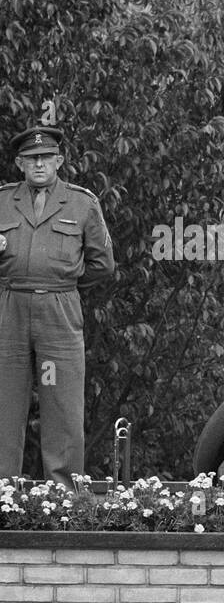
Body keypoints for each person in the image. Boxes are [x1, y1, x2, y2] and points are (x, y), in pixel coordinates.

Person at [0, 126, 115, 487]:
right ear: (20, 163)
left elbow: (103, 264)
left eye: (45, 158)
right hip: (9, 310)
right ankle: (3, 489)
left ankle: (64, 495)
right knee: (6, 400)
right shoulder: (2, 200)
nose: (38, 165)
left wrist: (61, 285)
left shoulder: (82, 203)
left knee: (61, 400)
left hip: (59, 313)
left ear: (59, 161)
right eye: (31, 159)